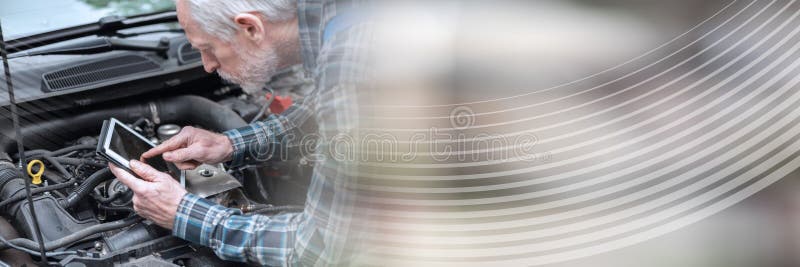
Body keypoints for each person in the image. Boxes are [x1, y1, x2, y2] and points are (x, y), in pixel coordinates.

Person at [107, 0, 371, 265]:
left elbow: (319, 251)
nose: (207, 65)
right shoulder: (352, 21)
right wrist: (230, 145)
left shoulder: (353, 75)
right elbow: (319, 112)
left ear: (251, 28)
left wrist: (182, 213)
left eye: (208, 48)